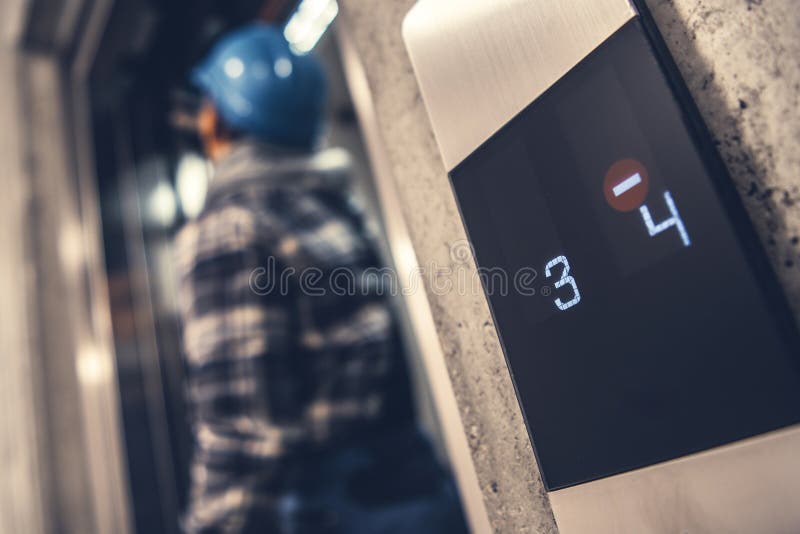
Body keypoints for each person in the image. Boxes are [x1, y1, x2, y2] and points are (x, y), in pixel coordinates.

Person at [175, 23, 467, 534]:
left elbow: (243, 433)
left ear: (219, 119)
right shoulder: (331, 209)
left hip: (336, 508)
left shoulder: (232, 226)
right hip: (414, 491)